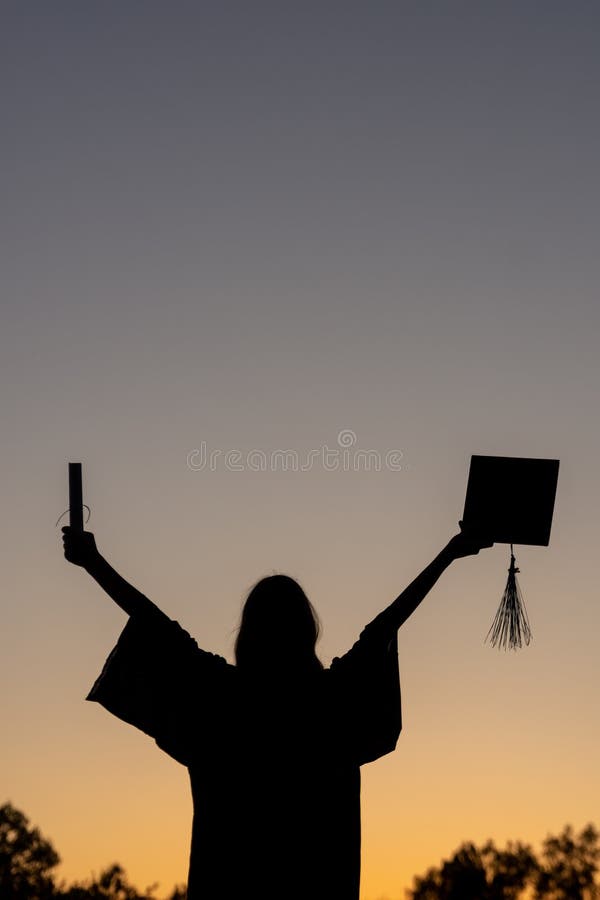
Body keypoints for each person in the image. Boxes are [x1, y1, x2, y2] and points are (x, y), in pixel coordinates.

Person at [62, 523, 492, 900]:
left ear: (249, 632)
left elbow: (156, 626)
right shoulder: (330, 702)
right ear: (307, 632)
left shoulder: (220, 697)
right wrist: (449, 553)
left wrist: (94, 563)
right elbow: (384, 627)